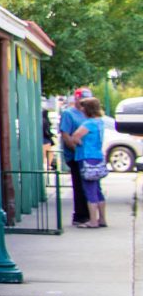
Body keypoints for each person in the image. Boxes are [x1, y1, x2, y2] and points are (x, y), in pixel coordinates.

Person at [68, 97, 110, 228]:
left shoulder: (88, 124)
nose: (81, 110)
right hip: (97, 156)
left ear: (87, 110)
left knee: (89, 189)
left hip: (86, 157)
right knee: (97, 189)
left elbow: (75, 136)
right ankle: (102, 219)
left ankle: (92, 220)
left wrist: (79, 143)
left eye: (83, 107)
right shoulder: (100, 122)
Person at [59, 89, 90, 225]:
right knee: (79, 185)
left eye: (87, 100)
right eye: (82, 99)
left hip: (88, 155)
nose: (84, 103)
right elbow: (65, 134)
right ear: (76, 99)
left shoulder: (88, 114)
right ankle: (80, 215)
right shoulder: (68, 114)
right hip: (75, 156)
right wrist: (75, 149)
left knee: (90, 185)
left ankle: (91, 214)